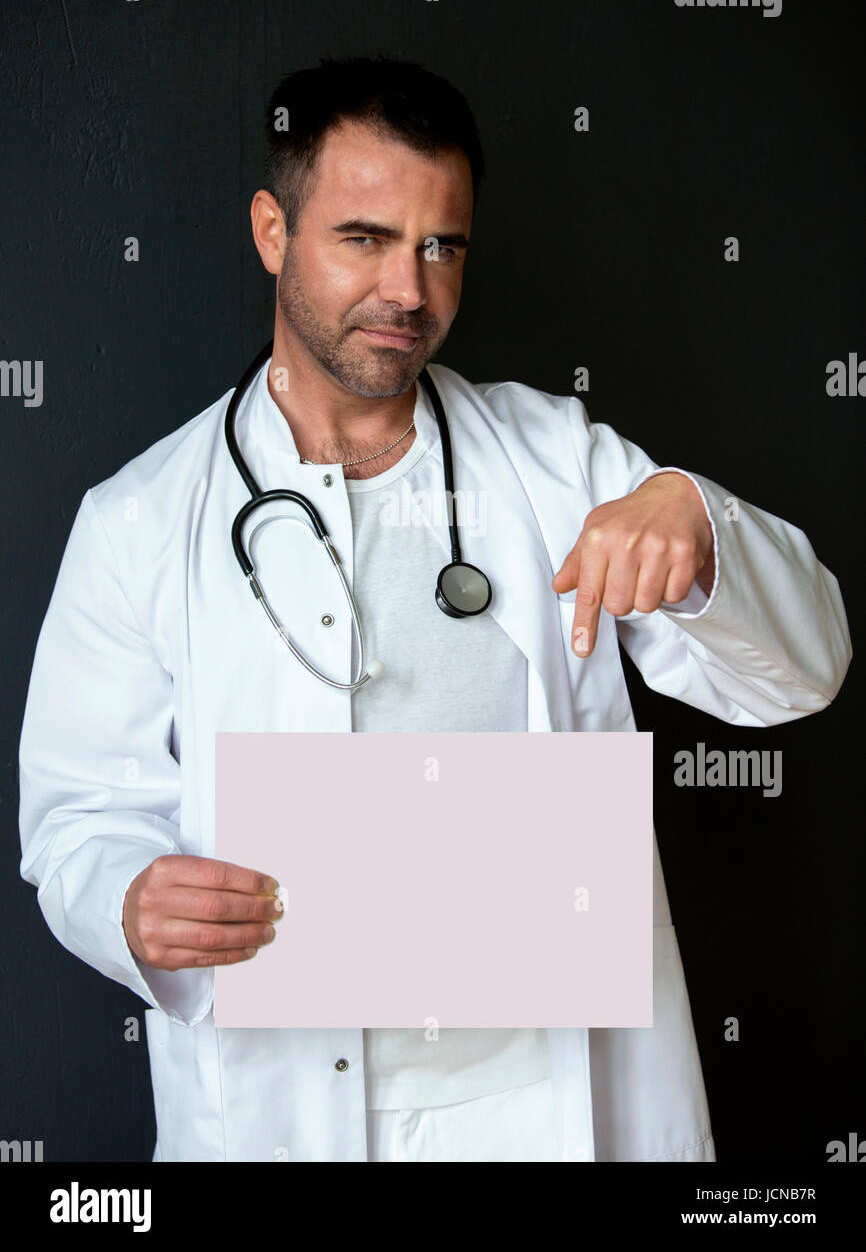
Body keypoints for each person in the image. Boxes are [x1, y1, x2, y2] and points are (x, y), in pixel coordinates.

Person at [18, 56, 851, 1163]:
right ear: (272, 230)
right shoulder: (137, 519)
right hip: (286, 1105)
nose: (408, 290)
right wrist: (126, 903)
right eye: (362, 236)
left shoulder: (557, 461)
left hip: (551, 1103)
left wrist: (693, 522)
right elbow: (76, 817)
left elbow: (803, 671)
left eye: (440, 244)